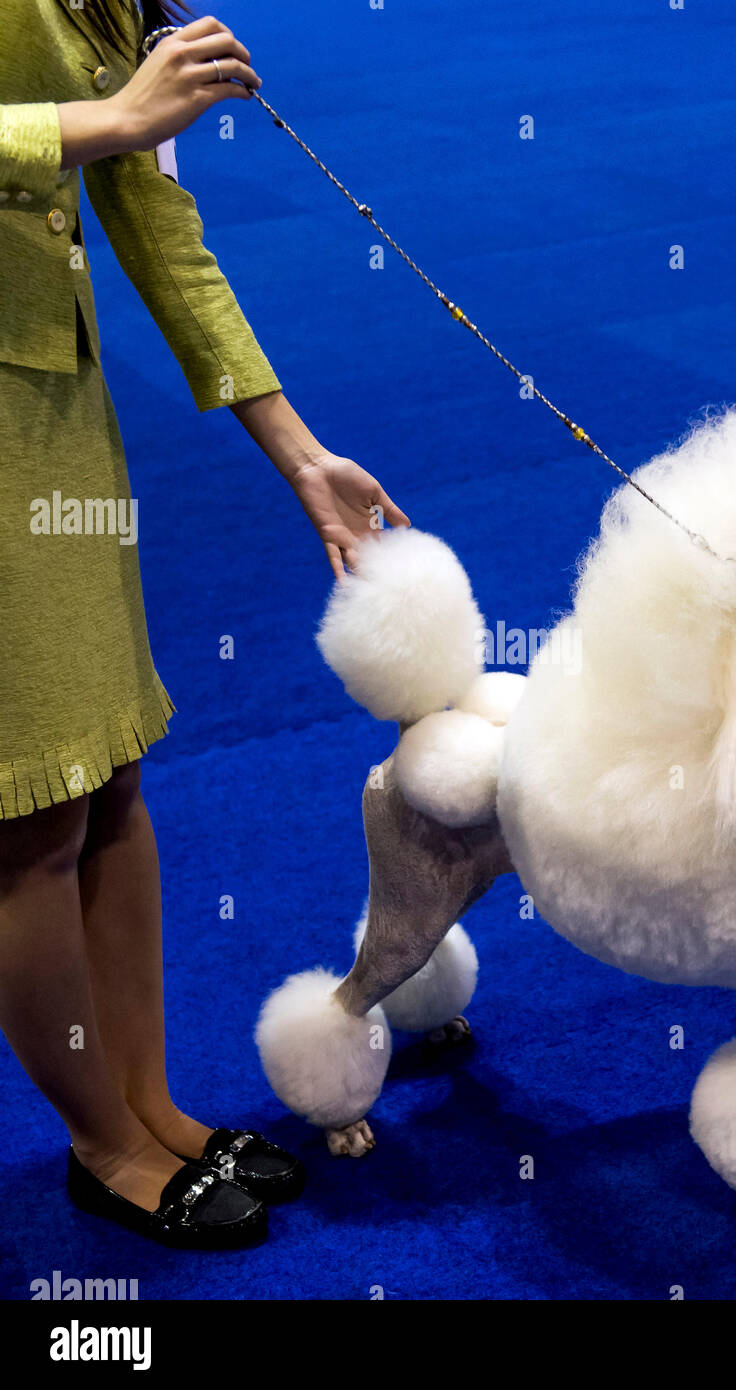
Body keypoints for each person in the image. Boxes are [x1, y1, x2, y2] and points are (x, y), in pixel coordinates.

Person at [0, 1, 408, 1249]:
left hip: (49, 406)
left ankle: (150, 1107)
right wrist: (109, 115)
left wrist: (301, 459)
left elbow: (158, 227)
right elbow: (108, 135)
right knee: (30, 816)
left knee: (111, 776)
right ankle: (102, 1142)